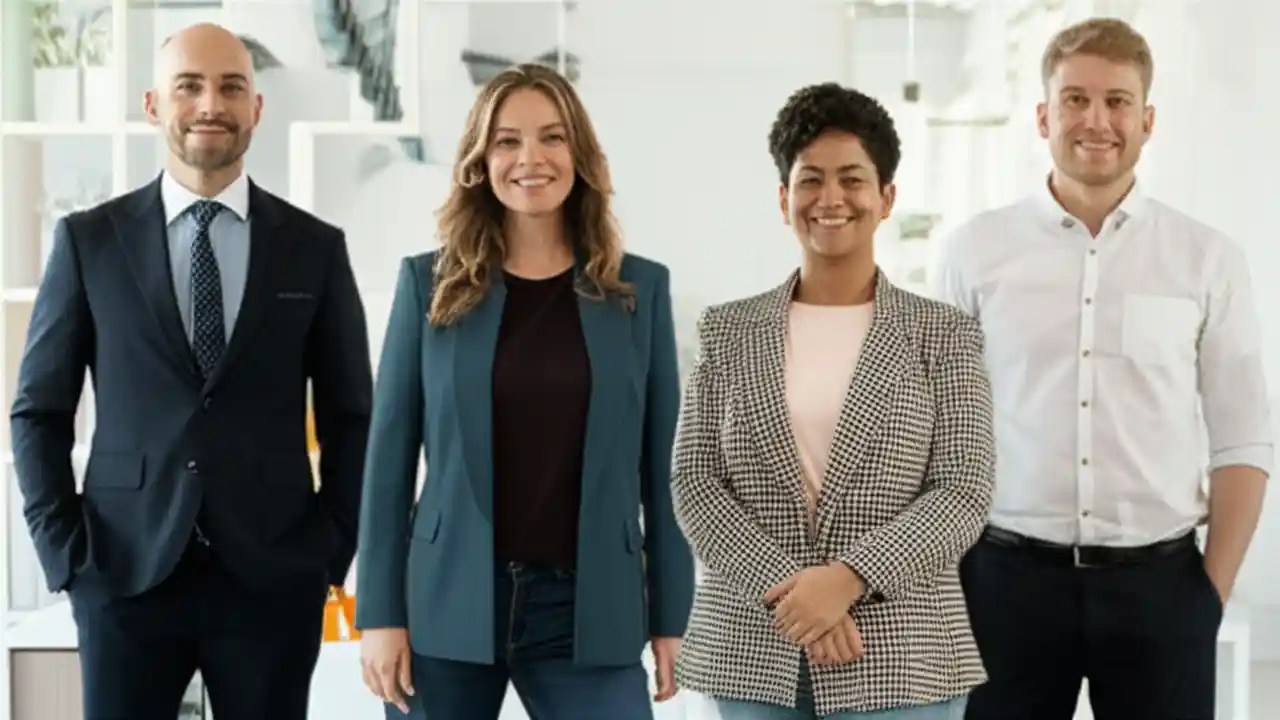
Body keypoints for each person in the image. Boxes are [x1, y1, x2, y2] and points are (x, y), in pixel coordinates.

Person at [8, 22, 372, 720]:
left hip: (272, 577)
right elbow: (38, 411)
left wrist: (331, 549)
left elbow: (353, 414)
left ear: (256, 109)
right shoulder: (89, 242)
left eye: (232, 87)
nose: (212, 103)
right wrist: (65, 553)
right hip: (123, 574)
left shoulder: (314, 250)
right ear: (153, 104)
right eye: (190, 86)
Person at [932, 17, 1272, 720]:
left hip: (1161, 586)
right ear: (1042, 115)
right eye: (1076, 99)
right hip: (1003, 584)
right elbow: (940, 428)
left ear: (1147, 120)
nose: (1096, 120)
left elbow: (1243, 441)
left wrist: (1209, 593)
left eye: (1117, 101)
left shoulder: (1207, 259)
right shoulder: (975, 252)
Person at [353, 62, 695, 719]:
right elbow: (388, 466)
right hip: (446, 603)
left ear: (581, 155)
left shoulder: (639, 292)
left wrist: (671, 615)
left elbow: (663, 474)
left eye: (552, 137)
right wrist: (380, 616)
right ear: (481, 161)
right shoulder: (427, 285)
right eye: (507, 140)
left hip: (589, 610)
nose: (530, 158)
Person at [670, 82, 995, 719]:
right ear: (784, 198)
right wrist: (795, 596)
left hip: (902, 653)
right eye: (810, 180)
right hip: (751, 651)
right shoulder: (729, 331)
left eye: (852, 179)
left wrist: (847, 579)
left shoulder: (944, 334)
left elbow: (963, 490)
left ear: (886, 197)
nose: (831, 199)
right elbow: (695, 483)